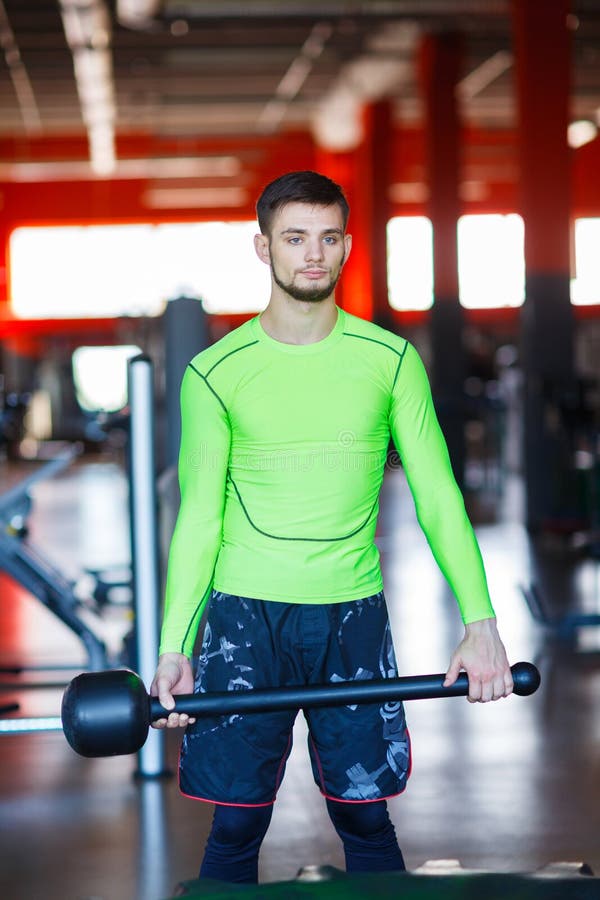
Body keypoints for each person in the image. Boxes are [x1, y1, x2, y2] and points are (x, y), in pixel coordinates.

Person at [150, 170, 513, 884]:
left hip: (353, 615)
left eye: (327, 237)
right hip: (243, 618)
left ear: (346, 246)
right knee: (237, 819)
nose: (312, 254)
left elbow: (439, 495)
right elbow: (199, 518)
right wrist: (174, 647)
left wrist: (481, 622)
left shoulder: (390, 361)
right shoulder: (216, 374)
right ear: (264, 248)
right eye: (294, 238)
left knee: (365, 814)